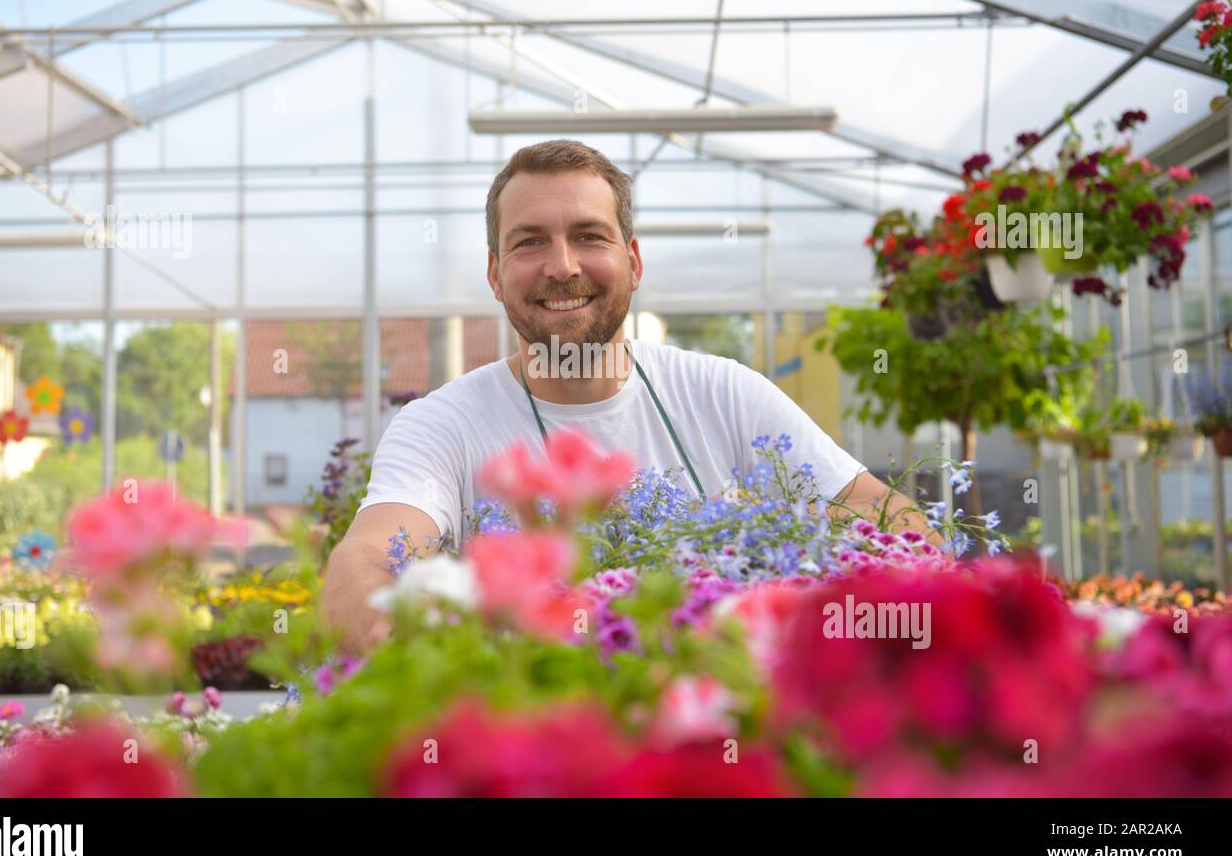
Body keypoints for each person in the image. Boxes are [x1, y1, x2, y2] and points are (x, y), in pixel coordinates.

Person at [324, 139, 940, 653]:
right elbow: (364, 563)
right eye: (529, 242)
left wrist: (757, 554)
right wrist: (426, 648)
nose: (562, 266)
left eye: (589, 236)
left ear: (634, 261)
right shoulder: (443, 425)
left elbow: (906, 527)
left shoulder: (724, 392)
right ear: (494, 273)